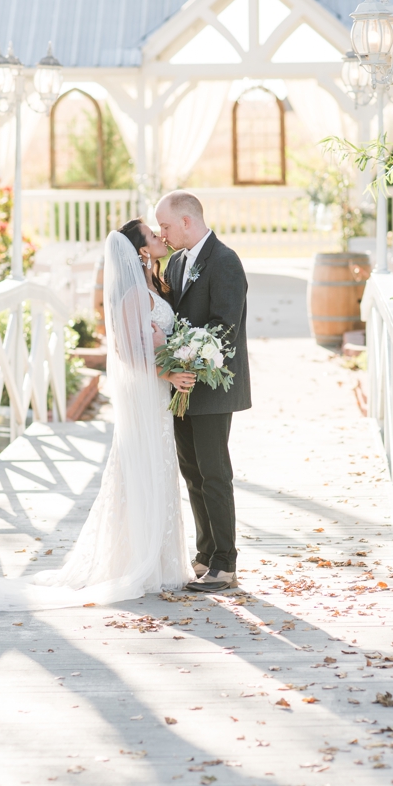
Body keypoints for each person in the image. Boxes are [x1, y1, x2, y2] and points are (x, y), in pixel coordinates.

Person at [0, 222, 195, 610]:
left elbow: (149, 340)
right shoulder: (135, 293)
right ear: (141, 251)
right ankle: (143, 561)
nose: (159, 237)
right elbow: (126, 353)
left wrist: (173, 352)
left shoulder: (152, 285)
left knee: (159, 465)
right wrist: (168, 370)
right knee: (145, 465)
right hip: (148, 392)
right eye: (153, 235)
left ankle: (162, 557)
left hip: (157, 394)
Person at [154, 190, 251, 593]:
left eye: (165, 226)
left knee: (214, 473)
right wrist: (173, 368)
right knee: (192, 472)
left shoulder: (225, 262)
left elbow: (224, 327)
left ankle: (226, 564)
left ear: (187, 221)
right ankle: (205, 554)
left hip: (211, 386)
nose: (162, 234)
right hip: (182, 386)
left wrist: (190, 362)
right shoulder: (176, 262)